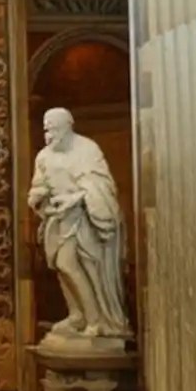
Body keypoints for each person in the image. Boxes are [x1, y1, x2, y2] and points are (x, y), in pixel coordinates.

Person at [28, 107, 130, 339]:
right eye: (45, 128)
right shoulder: (44, 156)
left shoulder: (87, 149)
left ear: (67, 127)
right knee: (61, 268)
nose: (48, 134)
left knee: (72, 266)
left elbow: (102, 186)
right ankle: (77, 315)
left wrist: (73, 199)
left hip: (85, 219)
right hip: (57, 219)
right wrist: (39, 197)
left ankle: (95, 319)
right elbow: (39, 185)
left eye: (52, 128)